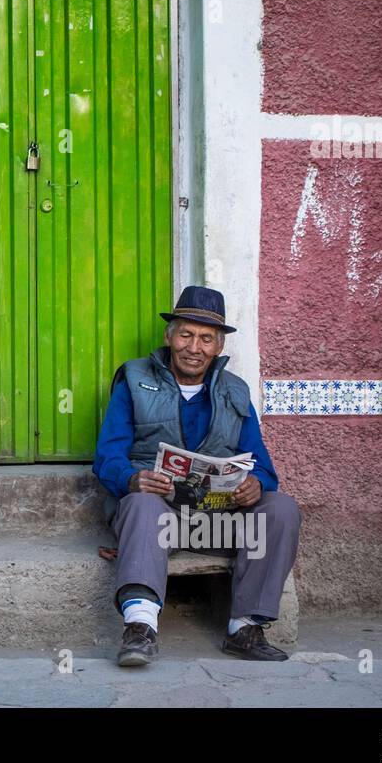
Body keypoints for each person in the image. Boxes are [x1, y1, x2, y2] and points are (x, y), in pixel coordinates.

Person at [92, 285, 301, 667]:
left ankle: (245, 629)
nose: (194, 347)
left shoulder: (235, 392)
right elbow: (107, 455)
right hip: (156, 522)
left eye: (206, 338)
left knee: (281, 508)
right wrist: (131, 478)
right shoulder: (134, 380)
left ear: (218, 347)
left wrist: (257, 486)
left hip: (216, 524)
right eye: (186, 334)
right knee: (142, 502)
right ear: (169, 337)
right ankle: (139, 628)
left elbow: (264, 468)